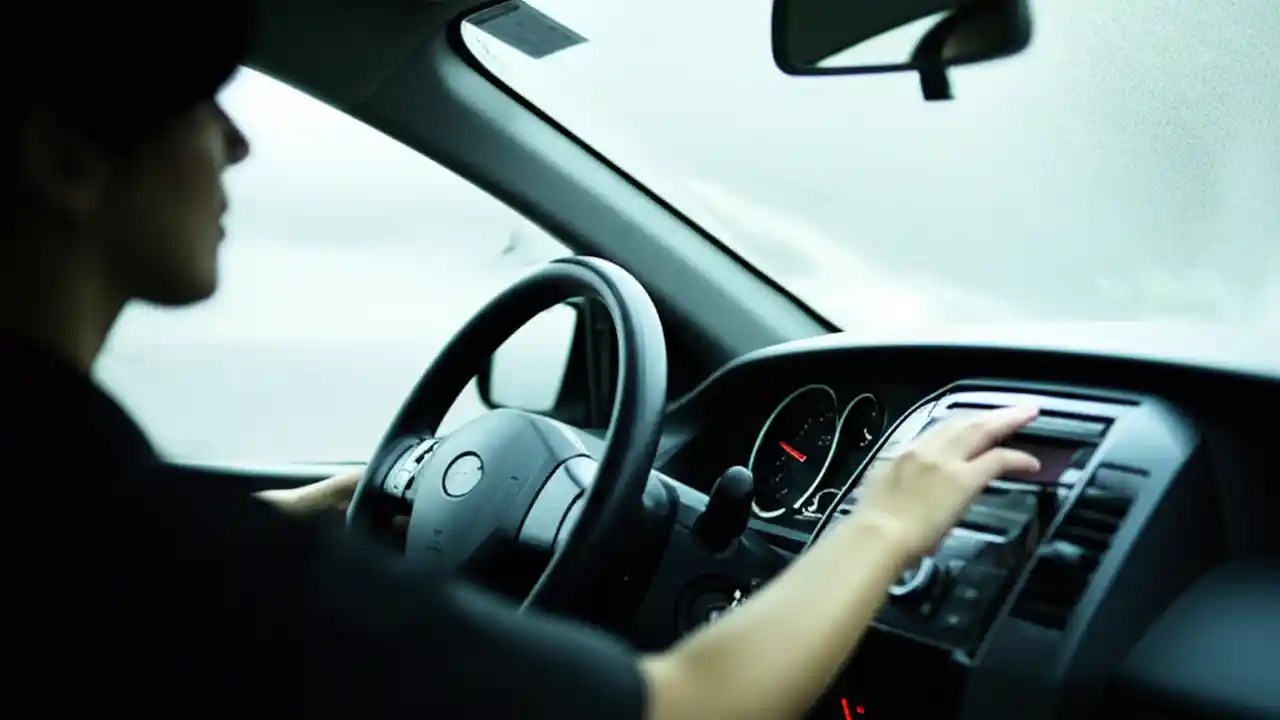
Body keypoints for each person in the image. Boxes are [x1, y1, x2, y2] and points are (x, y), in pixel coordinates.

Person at [4, 3, 1042, 718]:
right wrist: (882, 527)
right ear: (65, 158)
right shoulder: (164, 564)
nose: (235, 146)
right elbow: (692, 704)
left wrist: (319, 505)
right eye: (201, 107)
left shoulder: (80, 519)